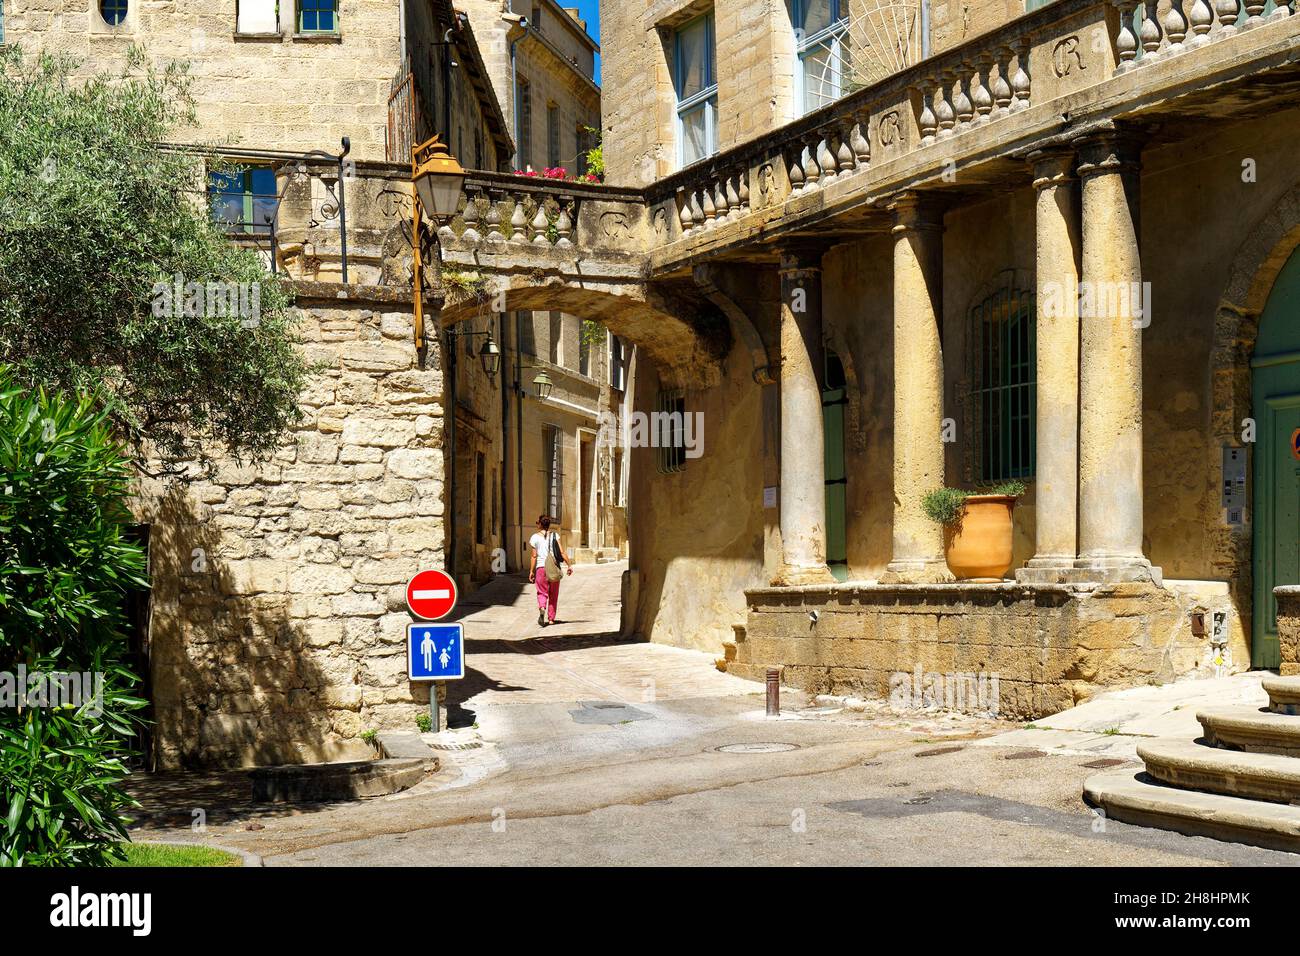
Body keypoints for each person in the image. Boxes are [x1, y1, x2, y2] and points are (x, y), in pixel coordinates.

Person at [527, 515, 572, 627]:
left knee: (542, 592)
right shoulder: (555, 535)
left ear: (540, 524)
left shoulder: (534, 538)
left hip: (541, 568)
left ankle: (542, 607)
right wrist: (569, 565)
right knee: (553, 594)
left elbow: (533, 556)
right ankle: (551, 618)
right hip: (553, 567)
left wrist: (531, 571)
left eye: (538, 522)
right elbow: (561, 552)